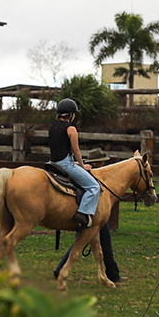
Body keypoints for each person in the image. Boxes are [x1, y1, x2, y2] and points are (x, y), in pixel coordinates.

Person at [49, 98, 101, 230]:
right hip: (65, 164)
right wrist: (83, 166)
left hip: (53, 163)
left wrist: (75, 163)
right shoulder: (71, 128)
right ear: (71, 115)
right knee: (94, 186)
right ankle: (82, 213)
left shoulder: (52, 127)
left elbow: (60, 149)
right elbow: (76, 150)